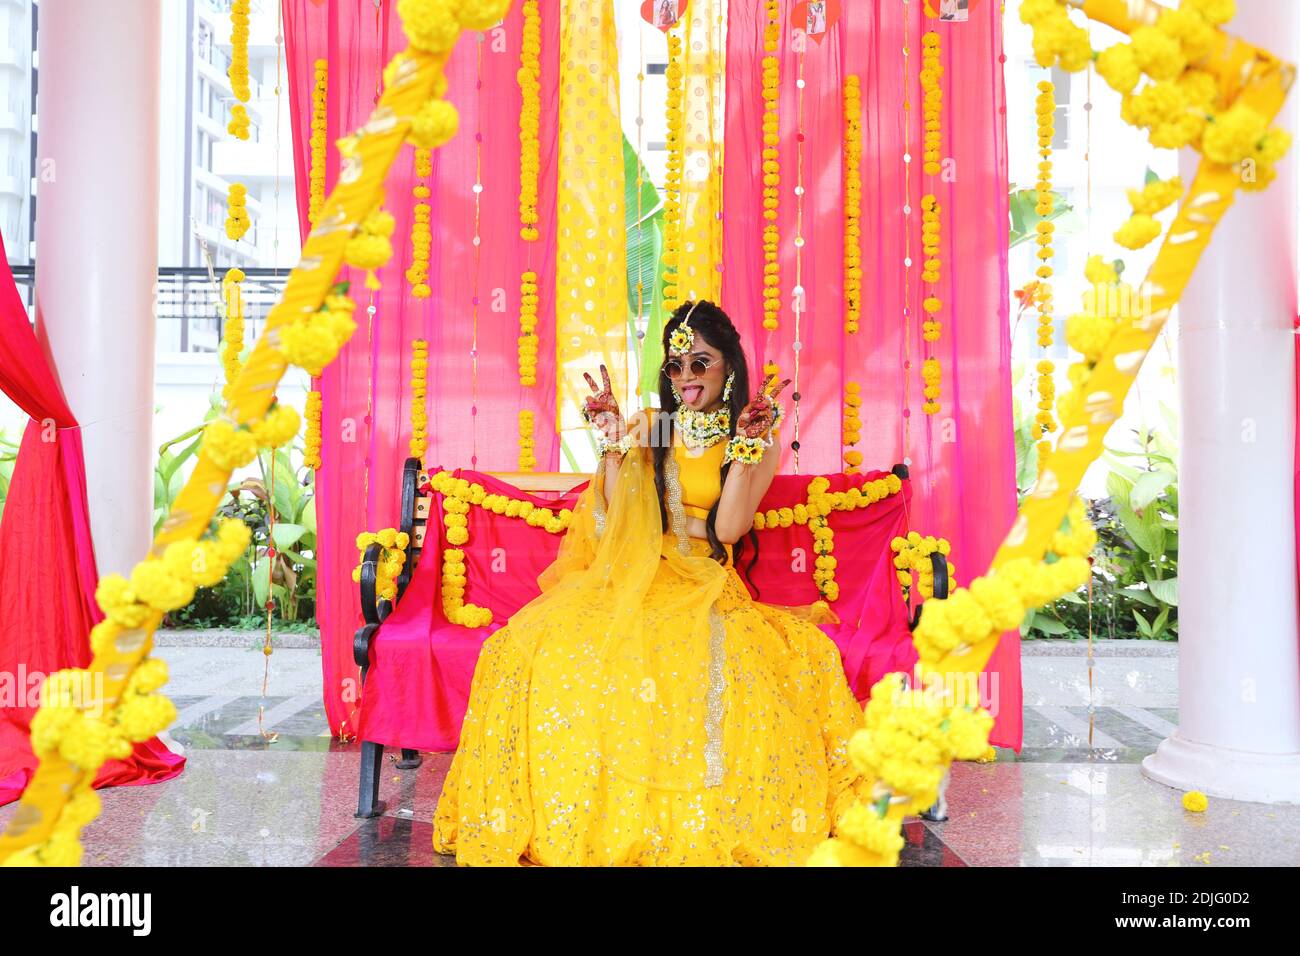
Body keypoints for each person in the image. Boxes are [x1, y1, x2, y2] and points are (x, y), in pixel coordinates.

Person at [432, 300, 873, 866]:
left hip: (704, 577)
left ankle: (680, 818)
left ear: (728, 365)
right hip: (637, 566)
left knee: (690, 658)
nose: (687, 378)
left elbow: (731, 527)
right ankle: (583, 813)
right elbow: (617, 513)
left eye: (700, 363)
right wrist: (615, 444)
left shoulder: (756, 432)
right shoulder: (651, 424)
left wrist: (742, 453)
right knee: (535, 650)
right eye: (675, 366)